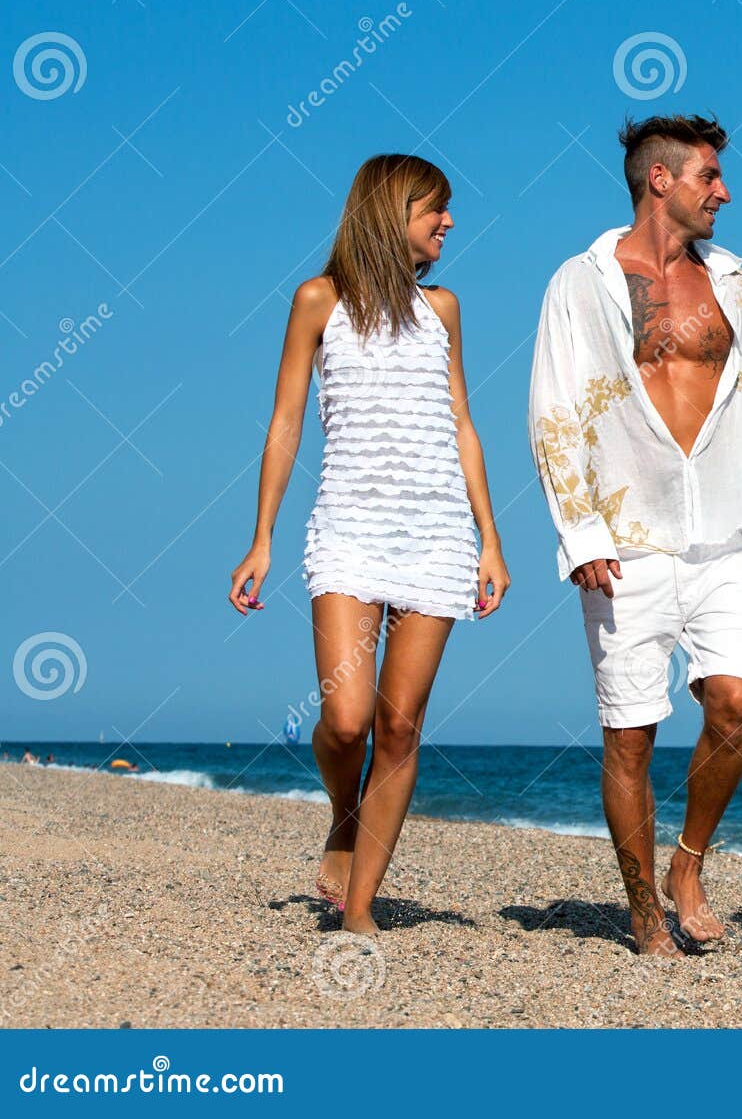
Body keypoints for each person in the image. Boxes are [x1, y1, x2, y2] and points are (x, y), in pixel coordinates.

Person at [530, 114, 742, 957]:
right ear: (661, 180)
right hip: (627, 538)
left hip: (724, 534)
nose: (724, 191)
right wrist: (579, 530)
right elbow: (554, 409)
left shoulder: (737, 286)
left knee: (735, 702)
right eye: (710, 175)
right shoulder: (582, 282)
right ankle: (643, 910)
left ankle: (689, 862)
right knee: (630, 734)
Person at [229, 154, 510, 935]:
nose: (448, 222)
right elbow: (286, 423)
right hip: (348, 529)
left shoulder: (444, 309)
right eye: (436, 209)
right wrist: (262, 538)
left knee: (399, 725)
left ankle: (360, 910)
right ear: (393, 212)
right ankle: (343, 818)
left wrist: (490, 537)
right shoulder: (318, 301)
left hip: (436, 535)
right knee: (347, 720)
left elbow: (461, 424)